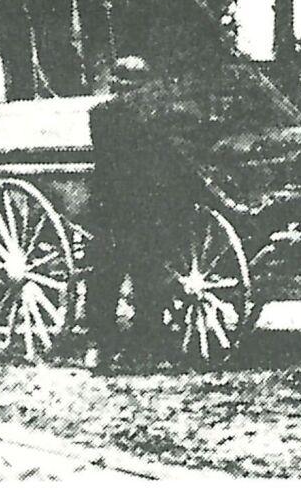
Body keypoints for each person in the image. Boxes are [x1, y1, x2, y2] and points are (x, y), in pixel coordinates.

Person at [84, 54, 211, 370]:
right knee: (138, 276)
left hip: (119, 207)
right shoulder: (146, 116)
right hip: (132, 208)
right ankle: (130, 345)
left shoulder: (103, 114)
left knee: (116, 276)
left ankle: (110, 345)